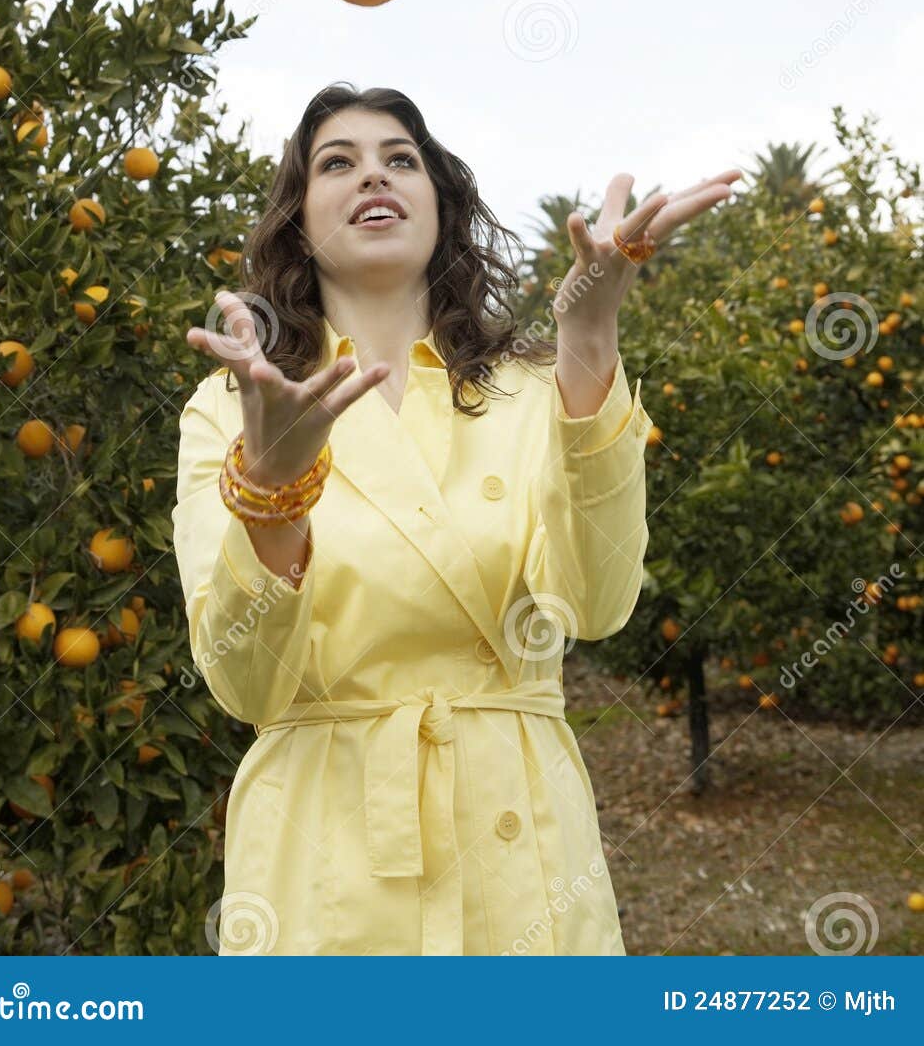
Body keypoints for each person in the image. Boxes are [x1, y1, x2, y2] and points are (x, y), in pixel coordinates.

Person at [173, 82, 741, 955]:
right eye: (338, 163)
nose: (375, 176)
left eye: (400, 159)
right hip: (324, 859)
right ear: (298, 219)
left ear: (440, 205)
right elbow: (244, 685)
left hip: (520, 847)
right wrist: (275, 491)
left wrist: (590, 342)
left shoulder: (532, 388)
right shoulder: (236, 406)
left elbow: (596, 605)